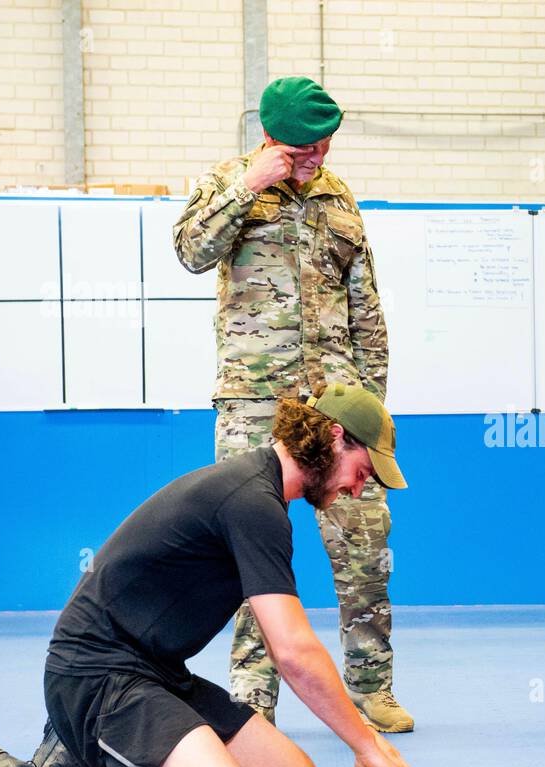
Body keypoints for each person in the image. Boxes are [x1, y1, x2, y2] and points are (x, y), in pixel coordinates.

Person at [0, 386, 417, 767]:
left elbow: (282, 642)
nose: (358, 488)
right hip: (98, 676)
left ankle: (76, 748)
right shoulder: (253, 502)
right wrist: (367, 743)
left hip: (153, 674)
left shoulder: (262, 494)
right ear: (335, 437)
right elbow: (292, 651)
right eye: (362, 472)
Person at [173, 76, 412, 733]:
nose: (316, 159)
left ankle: (371, 687)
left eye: (324, 146)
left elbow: (366, 304)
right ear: (271, 138)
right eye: (303, 149)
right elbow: (191, 251)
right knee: (250, 549)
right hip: (255, 400)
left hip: (336, 402)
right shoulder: (231, 182)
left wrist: (373, 409)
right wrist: (247, 185)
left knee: (364, 542)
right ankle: (254, 698)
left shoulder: (339, 198)